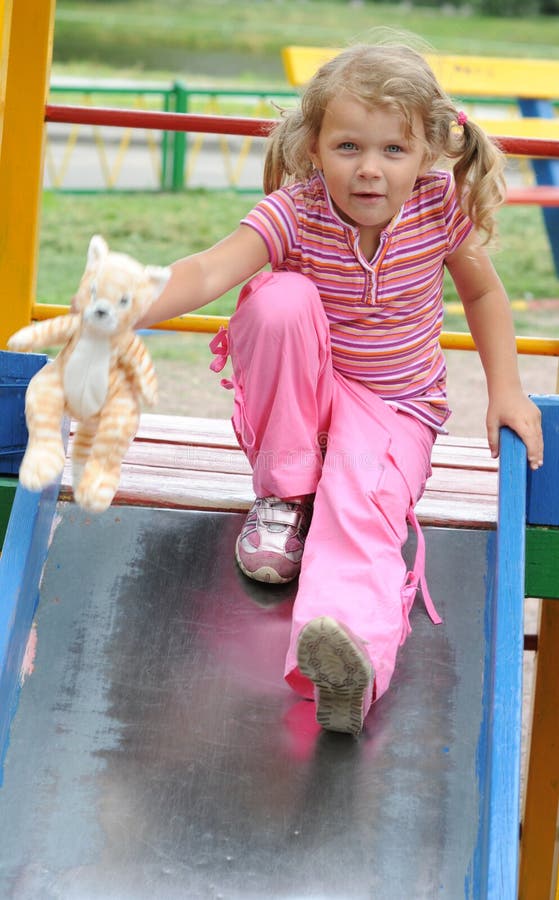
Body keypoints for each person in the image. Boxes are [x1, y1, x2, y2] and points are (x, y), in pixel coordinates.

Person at [139, 41, 543, 736]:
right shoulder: (294, 211)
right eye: (348, 146)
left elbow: (482, 294)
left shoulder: (436, 208)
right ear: (314, 146)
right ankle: (285, 495)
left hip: (394, 413)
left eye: (393, 150)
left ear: (425, 155)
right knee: (276, 300)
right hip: (308, 407)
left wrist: (504, 388)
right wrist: (124, 303)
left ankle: (347, 662)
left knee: (361, 513)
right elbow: (210, 271)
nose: (368, 169)